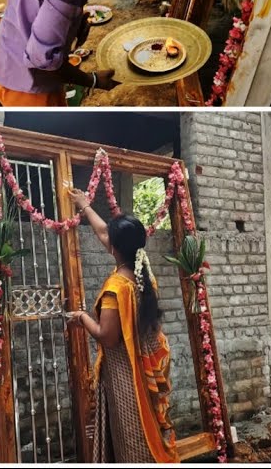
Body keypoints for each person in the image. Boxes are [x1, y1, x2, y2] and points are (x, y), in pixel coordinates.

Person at [64, 188, 179, 463]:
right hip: (145, 369)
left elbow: (107, 336)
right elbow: (106, 233)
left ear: (114, 249)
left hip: (127, 377)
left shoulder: (117, 287)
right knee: (148, 430)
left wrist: (82, 318)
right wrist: (84, 206)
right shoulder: (143, 273)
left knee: (133, 437)